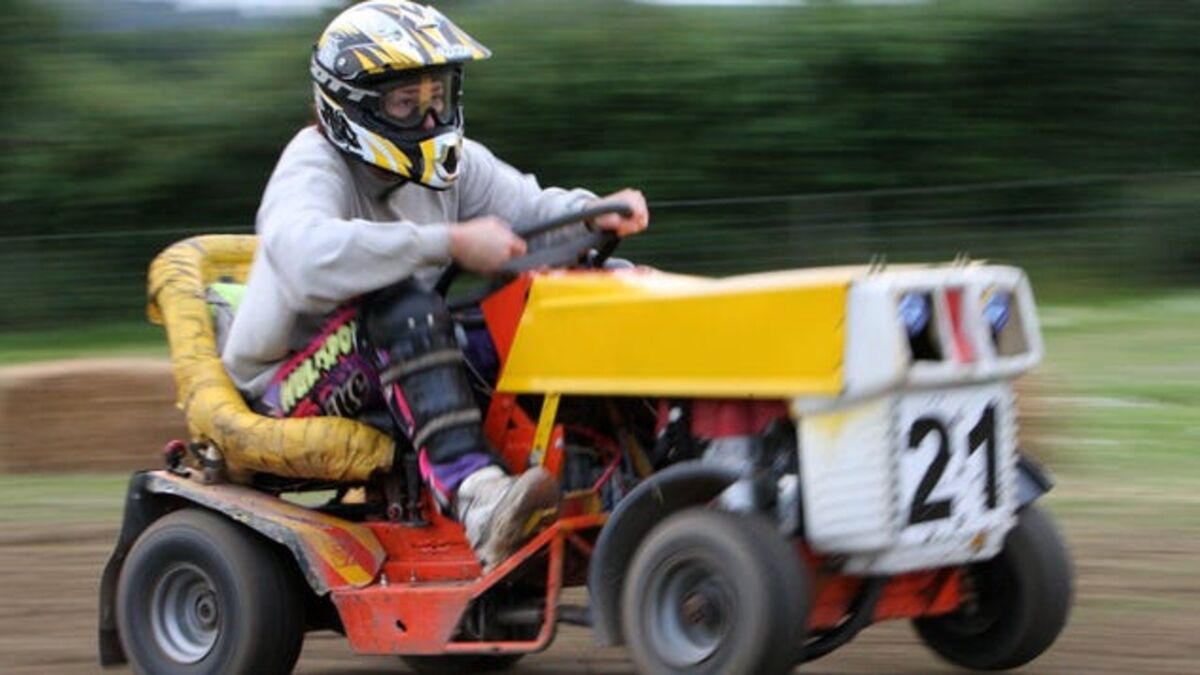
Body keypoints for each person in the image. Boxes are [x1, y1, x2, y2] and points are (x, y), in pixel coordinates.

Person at [221, 0, 648, 567]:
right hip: (288, 381)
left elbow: (528, 208)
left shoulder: (452, 164)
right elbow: (303, 260)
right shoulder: (312, 165)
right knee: (405, 304)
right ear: (354, 106)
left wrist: (593, 213)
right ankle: (478, 499)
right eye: (407, 102)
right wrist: (449, 243)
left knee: (582, 290)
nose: (429, 118)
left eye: (437, 97)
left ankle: (647, 472)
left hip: (395, 346)